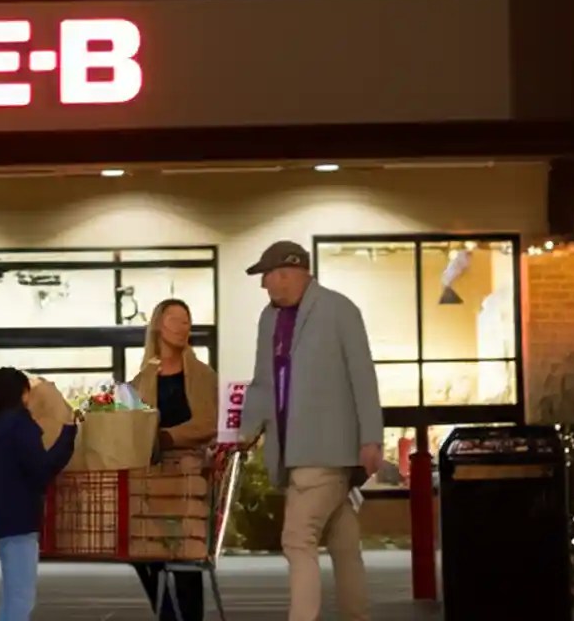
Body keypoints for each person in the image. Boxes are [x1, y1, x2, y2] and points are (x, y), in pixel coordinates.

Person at [238, 241, 384, 621]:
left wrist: (372, 436)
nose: (263, 285)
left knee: (296, 540)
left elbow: (362, 376)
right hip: (292, 452)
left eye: (266, 276)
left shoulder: (339, 310)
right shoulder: (269, 319)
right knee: (343, 543)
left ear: (288, 272)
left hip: (325, 451)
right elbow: (263, 383)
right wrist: (242, 433)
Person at [128, 299, 220, 621]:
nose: (183, 326)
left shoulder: (202, 375)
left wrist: (166, 437)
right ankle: (166, 614)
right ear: (158, 325)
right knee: (138, 548)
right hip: (151, 477)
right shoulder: (142, 379)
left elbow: (208, 423)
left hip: (188, 475)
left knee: (186, 560)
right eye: (174, 319)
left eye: (187, 319)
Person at [0, 367, 79, 621]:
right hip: (22, 515)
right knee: (21, 596)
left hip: (2, 515)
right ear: (20, 393)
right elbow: (41, 469)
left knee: (13, 593)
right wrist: (68, 434)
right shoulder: (19, 424)